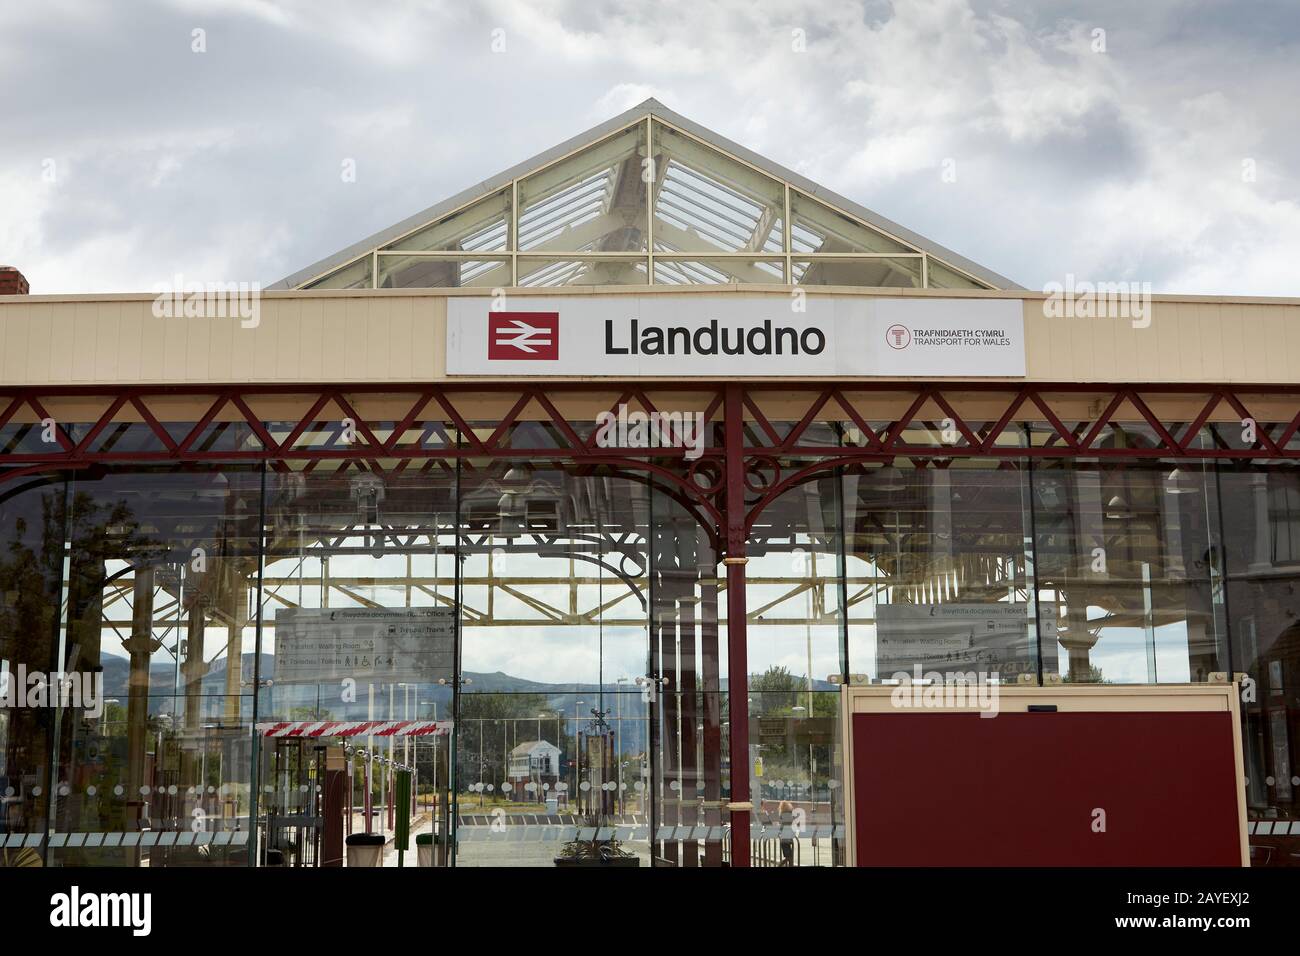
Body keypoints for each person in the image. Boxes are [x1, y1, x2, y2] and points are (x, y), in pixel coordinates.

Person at [778, 799, 795, 867]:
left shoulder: (783, 815)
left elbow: (782, 827)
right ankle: (780, 865)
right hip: (787, 839)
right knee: (789, 857)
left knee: (789, 857)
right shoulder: (788, 815)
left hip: (785, 839)